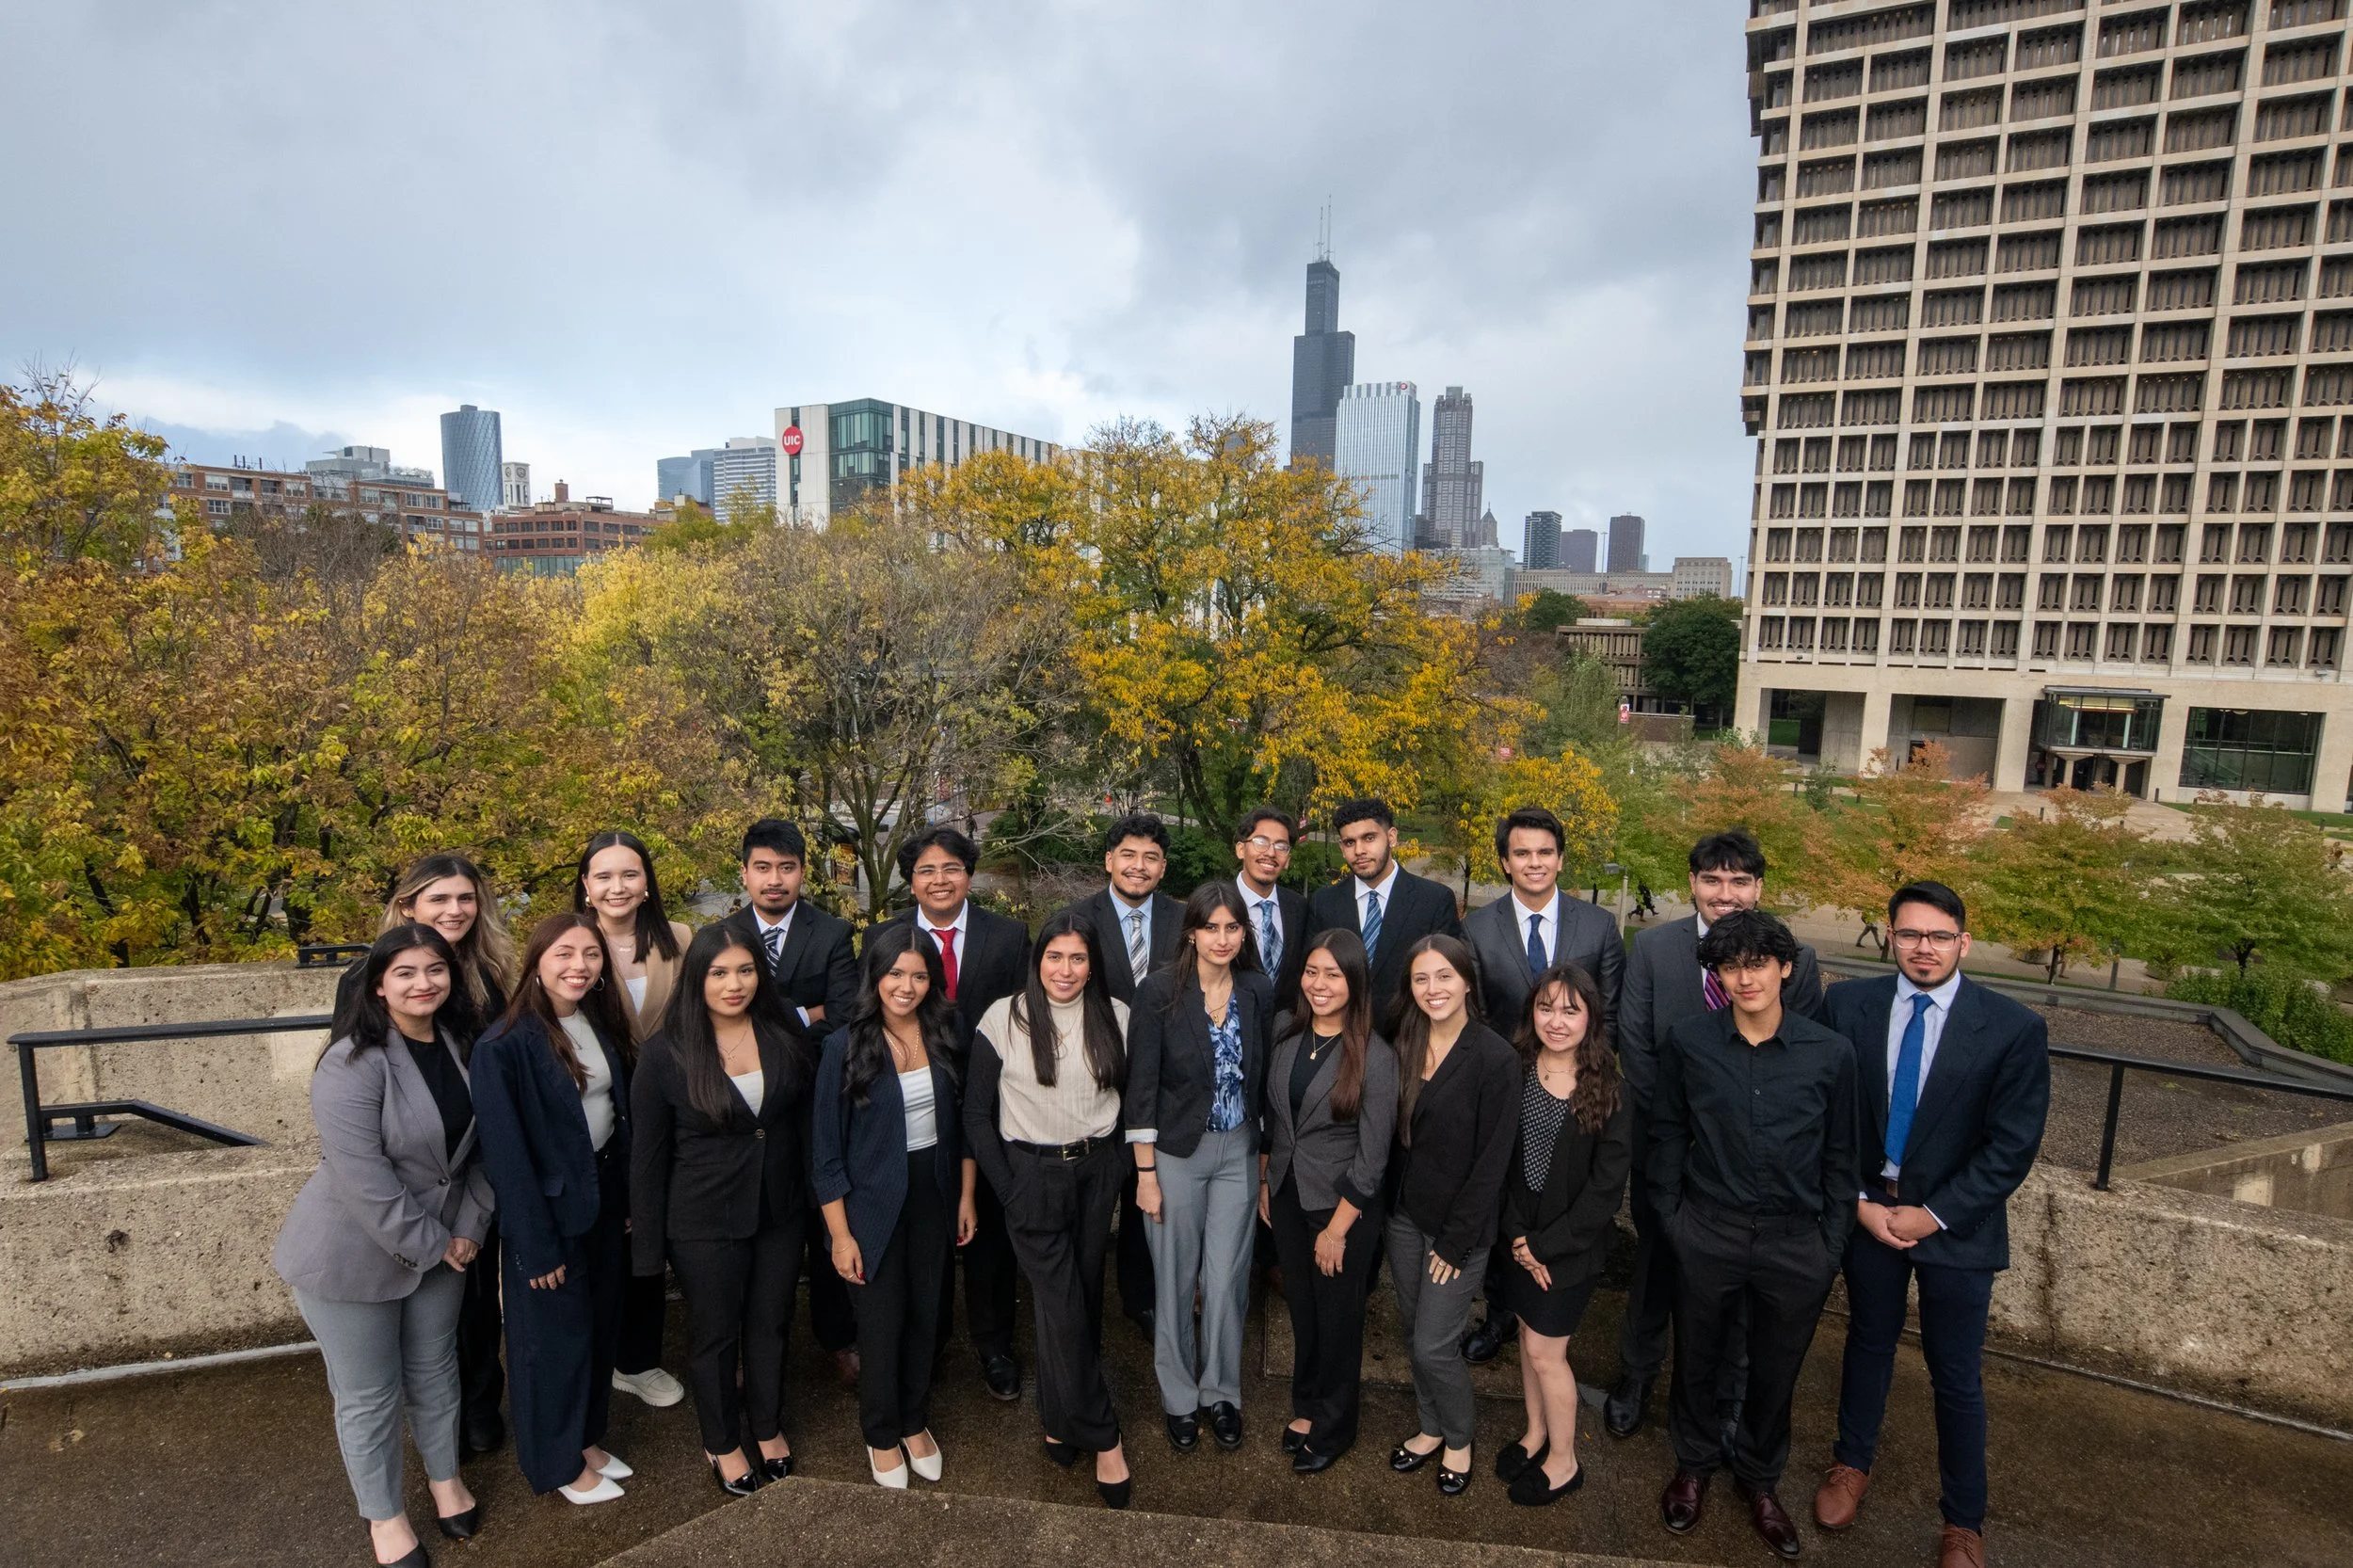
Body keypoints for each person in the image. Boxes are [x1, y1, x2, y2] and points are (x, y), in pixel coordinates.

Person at [1813, 883, 2050, 1568]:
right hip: (1871, 1215)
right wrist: (1860, 1201)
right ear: (1891, 935)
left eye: (1939, 937)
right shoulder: (1847, 1005)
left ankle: (1963, 1522)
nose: (1924, 948)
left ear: (1963, 943)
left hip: (1957, 1228)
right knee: (1867, 1344)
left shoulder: (2012, 1027)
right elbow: (1831, 1115)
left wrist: (1935, 1214)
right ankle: (1850, 1465)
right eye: (1911, 934)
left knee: (1956, 1375)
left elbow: (2012, 1146)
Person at [274, 925, 490, 1568]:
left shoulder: (461, 1045)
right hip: (350, 1257)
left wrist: (471, 1228)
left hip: (449, 1243)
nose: (423, 983)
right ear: (378, 985)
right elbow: (361, 1176)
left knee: (435, 1372)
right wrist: (437, 1244)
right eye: (405, 973)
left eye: (436, 970)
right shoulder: (352, 1061)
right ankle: (386, 1517)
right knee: (368, 1394)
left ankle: (446, 1480)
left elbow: (478, 1154)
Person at [1607, 828, 1826, 1443]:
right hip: (1666, 1150)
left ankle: (1728, 1394)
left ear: (1759, 887)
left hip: (1750, 1162)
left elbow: (1798, 1058)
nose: (1724, 893)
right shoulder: (1651, 949)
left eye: (1738, 881)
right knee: (1655, 1265)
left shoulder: (1795, 961)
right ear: (1692, 884)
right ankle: (1637, 1374)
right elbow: (1637, 1049)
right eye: (1711, 880)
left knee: (1739, 1282)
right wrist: (1687, 1136)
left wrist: (1732, 1138)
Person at [1651, 910, 1858, 1559]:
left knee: (1775, 1371)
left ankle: (1761, 1481)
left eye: (1758, 964)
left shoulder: (1831, 1053)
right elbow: (1665, 1136)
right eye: (1732, 966)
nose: (1746, 979)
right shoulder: (1689, 1042)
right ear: (1718, 974)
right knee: (1698, 1360)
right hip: (1708, 1229)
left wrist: (1828, 1248)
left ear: (1785, 967)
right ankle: (1693, 1467)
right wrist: (1675, 1222)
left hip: (1797, 1243)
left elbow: (1842, 1157)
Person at [630, 923, 815, 1497]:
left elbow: (799, 1125)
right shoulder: (666, 1053)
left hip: (779, 1211)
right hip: (703, 1221)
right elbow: (648, 1158)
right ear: (697, 977)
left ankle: (765, 1424)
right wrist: (648, 1252)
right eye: (718, 972)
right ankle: (723, 1439)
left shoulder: (781, 1031)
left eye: (746, 970)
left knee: (771, 1322)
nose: (734, 984)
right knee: (714, 1335)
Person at [963, 912, 1136, 1509]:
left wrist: (1116, 1167)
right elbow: (975, 1116)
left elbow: (1133, 1098)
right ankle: (1105, 1437)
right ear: (1038, 960)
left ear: (1093, 964)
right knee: (1062, 1303)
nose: (1066, 970)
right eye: (1055, 957)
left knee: (1081, 1298)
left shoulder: (1117, 1017)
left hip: (1095, 1172)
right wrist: (1009, 1187)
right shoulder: (1002, 1017)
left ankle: (1060, 1419)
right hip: (1029, 1175)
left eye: (1078, 958)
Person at [354, 855, 520, 1460]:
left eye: (466, 899)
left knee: (478, 1304)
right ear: (407, 907)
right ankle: (433, 1423)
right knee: (420, 1318)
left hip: (479, 1164)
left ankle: (477, 1406)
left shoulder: (491, 976)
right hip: (412, 1174)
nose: (454, 910)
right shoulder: (374, 975)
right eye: (439, 899)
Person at [470, 913, 638, 1505]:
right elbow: (507, 1159)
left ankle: (586, 1440)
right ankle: (555, 1463)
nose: (579, 966)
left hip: (603, 1207)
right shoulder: (504, 1045)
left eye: (591, 956)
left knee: (596, 1333)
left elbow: (617, 1119)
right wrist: (534, 1244)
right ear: (537, 961)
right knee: (552, 1347)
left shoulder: (598, 1023)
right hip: (547, 1221)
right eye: (564, 954)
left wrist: (628, 1202)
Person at [812, 925, 981, 1488]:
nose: (905, 986)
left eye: (918, 975)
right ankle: (881, 1433)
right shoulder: (844, 1045)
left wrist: (965, 1196)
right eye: (894, 973)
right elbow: (826, 1153)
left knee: (925, 1314)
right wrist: (840, 1235)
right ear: (875, 977)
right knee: (880, 1323)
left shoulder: (944, 1029)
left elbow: (962, 1129)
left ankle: (914, 1421)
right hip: (870, 1202)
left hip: (933, 1191)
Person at [1459, 806, 1627, 1365]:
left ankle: (1553, 1304)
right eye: (1522, 853)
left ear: (1560, 858)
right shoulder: (1478, 929)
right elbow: (1476, 1014)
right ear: (1505, 862)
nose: (1535, 862)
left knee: (1562, 1191)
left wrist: (1592, 1081)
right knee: (1507, 1195)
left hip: (1576, 1085)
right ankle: (1501, 1311)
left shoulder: (1598, 925)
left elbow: (1611, 1012)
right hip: (1508, 1085)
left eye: (1545, 852)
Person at [871, 824, 1029, 1400]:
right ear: (911, 882)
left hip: (991, 1105)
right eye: (927, 871)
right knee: (926, 1234)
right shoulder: (883, 940)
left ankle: (995, 1346)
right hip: (915, 1110)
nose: (940, 880)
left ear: (970, 874)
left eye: (952, 868)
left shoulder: (1009, 937)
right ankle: (927, 1345)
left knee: (988, 1235)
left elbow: (1024, 1018)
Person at [1124, 881, 1276, 1456]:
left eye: (1232, 927)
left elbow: (1260, 1082)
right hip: (1174, 1156)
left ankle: (1221, 1393)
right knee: (1174, 1277)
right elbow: (1141, 1088)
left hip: (1238, 1150)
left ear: (1244, 933)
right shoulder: (1160, 991)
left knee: (1227, 1278)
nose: (1221, 938)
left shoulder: (1258, 991)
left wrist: (1262, 1165)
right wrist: (1145, 1175)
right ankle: (1180, 1398)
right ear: (1190, 930)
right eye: (1210, 927)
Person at [717, 819, 862, 1387]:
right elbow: (712, 1017)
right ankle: (747, 1345)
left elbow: (847, 1016)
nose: (774, 880)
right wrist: (808, 1012)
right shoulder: (722, 935)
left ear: (802, 872)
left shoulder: (831, 933)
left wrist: (769, 1021)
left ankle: (836, 1336)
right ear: (745, 872)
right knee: (752, 1226)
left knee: (823, 1217)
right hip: (740, 1108)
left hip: (810, 1101)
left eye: (786, 867)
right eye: (762, 867)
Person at [1383, 935, 1519, 1496]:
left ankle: (1459, 1438)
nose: (1433, 989)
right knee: (1416, 1332)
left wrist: (1455, 1243)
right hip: (1404, 1219)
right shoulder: (1404, 1042)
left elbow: (1493, 1163)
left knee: (1435, 1344)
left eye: (1444, 976)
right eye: (1421, 979)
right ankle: (1430, 1426)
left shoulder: (1495, 1057)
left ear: (1467, 981)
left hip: (1455, 1232)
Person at [1494, 961, 1632, 1508]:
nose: (1556, 1021)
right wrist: (1518, 1238)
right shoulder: (1516, 1069)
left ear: (1591, 1019)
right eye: (1547, 1007)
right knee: (1528, 1342)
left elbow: (1604, 1192)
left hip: (1567, 1251)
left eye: (1570, 1011)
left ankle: (1564, 1459)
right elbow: (1499, 1161)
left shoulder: (1611, 1090)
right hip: (1518, 1238)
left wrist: (1543, 1247)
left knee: (1548, 1353)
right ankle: (1535, 1433)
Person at [1258, 930, 1396, 1473]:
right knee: (1305, 1310)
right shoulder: (1286, 1036)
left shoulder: (1374, 1055)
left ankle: (1336, 1425)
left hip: (1342, 1210)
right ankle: (1309, 1404)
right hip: (1288, 1197)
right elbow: (1277, 1121)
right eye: (1312, 971)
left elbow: (1373, 1155)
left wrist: (1337, 1229)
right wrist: (1269, 1175)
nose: (1319, 984)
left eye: (1333, 974)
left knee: (1339, 1320)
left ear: (1355, 981)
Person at [572, 830, 690, 1413]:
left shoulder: (682, 940)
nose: (617, 887)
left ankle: (639, 1359)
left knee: (652, 1231)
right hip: (599, 1116)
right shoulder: (570, 945)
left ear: (647, 883)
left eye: (630, 874)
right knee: (603, 1236)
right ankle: (599, 1354)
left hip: (669, 1110)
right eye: (604, 876)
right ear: (586, 886)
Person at [1053, 812, 1181, 1339]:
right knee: (1095, 1191)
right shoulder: (1075, 920)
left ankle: (1140, 1295)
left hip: (1166, 1079)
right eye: (1128, 854)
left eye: (1150, 857)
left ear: (1163, 867)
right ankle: (1075, 1301)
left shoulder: (1184, 920)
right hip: (1095, 1076)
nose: (1138, 865)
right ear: (1109, 860)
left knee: (1148, 1192)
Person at [1305, 798, 1464, 1018]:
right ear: (1342, 847)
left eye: (1369, 838)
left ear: (1392, 837)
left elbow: (1450, 977)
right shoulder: (1324, 902)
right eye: (1350, 842)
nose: (1359, 850)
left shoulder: (1434, 901)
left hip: (1410, 1038)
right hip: (1342, 1035)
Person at [1231, 808, 1308, 1012]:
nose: (1271, 853)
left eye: (1281, 846)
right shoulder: (1216, 904)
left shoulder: (1300, 908)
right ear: (1241, 849)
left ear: (1288, 859)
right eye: (1261, 842)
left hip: (1285, 1032)